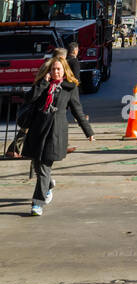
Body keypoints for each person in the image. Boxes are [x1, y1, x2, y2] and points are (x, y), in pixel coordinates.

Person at [18, 56, 90, 215]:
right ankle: (48, 185)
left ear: (64, 70)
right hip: (38, 130)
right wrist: (43, 83)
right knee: (37, 165)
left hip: (55, 132)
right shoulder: (42, 85)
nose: (56, 72)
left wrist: (88, 132)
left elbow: (77, 111)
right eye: (53, 69)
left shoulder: (70, 88)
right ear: (49, 71)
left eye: (58, 69)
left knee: (44, 167)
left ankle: (37, 203)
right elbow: (29, 99)